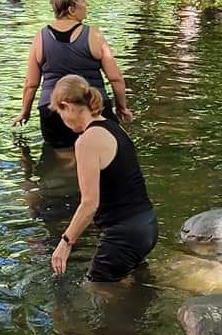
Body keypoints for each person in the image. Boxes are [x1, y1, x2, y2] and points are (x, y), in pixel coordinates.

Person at [47, 74, 157, 282]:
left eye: (60, 112)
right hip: (147, 224)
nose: (62, 120)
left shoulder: (87, 141)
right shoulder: (114, 126)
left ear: (67, 106)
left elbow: (89, 204)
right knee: (135, 283)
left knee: (98, 291)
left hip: (124, 234)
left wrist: (65, 242)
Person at [11, 0, 132, 148]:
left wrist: (24, 112)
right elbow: (116, 79)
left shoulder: (40, 38)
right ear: (71, 9)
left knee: (60, 157)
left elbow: (31, 84)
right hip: (93, 107)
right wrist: (121, 107)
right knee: (104, 155)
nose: (86, 6)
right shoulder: (94, 35)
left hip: (53, 109)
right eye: (83, 2)